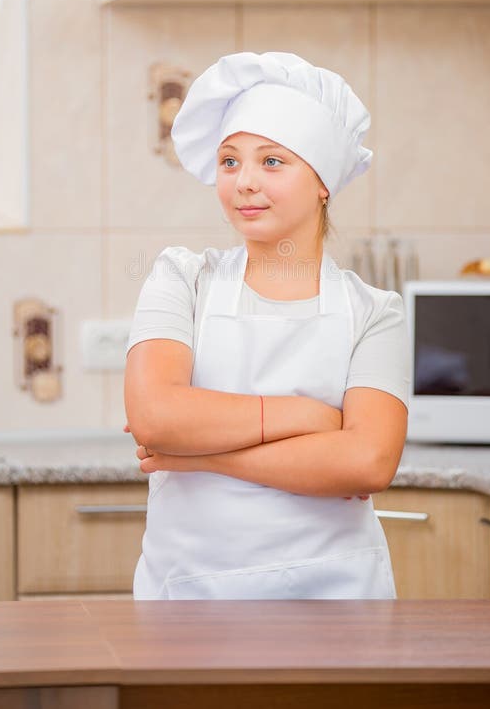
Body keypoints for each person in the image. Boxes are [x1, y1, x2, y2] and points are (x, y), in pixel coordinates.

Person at [124, 50, 411, 600]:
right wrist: (310, 418)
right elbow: (155, 417)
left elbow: (369, 460)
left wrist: (202, 454)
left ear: (323, 181)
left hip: (339, 599)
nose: (244, 183)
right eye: (230, 162)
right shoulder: (181, 279)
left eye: (272, 162)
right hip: (190, 601)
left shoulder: (375, 311)